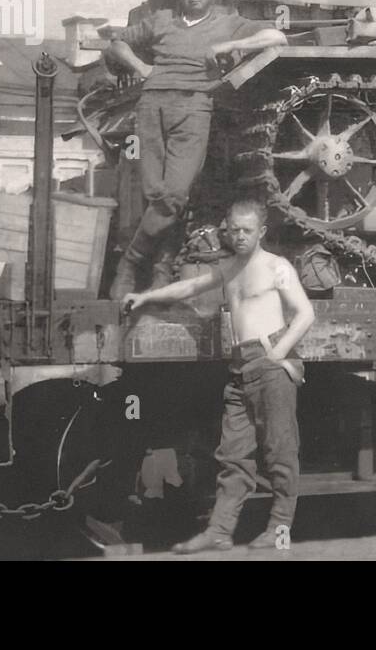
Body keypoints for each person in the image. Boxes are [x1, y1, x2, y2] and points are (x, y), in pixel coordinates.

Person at [122, 199, 315, 552]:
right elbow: (187, 288)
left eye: (248, 230)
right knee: (233, 456)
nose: (240, 237)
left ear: (262, 232)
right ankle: (220, 531)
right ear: (226, 230)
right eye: (235, 230)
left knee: (279, 452)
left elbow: (305, 314)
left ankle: (279, 528)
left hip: (271, 364)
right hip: (240, 367)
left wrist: (277, 352)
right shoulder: (229, 268)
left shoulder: (278, 267)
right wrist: (143, 297)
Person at [104, 0, 288, 298]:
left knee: (173, 195)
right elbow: (116, 44)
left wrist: (228, 47)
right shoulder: (161, 21)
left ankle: (129, 266)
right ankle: (161, 269)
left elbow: (276, 36)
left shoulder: (227, 23)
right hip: (151, 107)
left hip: (193, 107)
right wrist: (142, 67)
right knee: (155, 195)